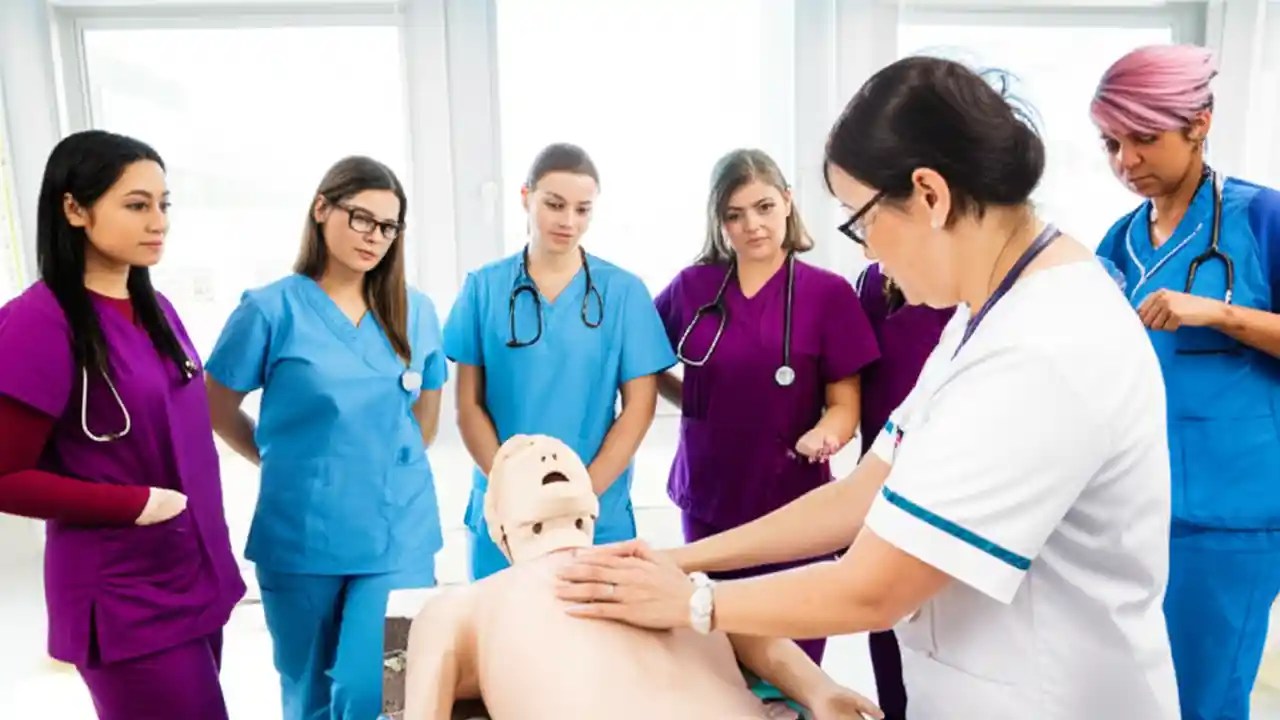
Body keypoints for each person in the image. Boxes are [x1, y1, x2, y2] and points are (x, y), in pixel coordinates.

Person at [553, 56, 1181, 720]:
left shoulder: (1047, 344)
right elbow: (866, 490)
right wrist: (680, 560)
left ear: (930, 196)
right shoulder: (983, 312)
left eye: (861, 218)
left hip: (1052, 700)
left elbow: (874, 587)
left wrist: (692, 602)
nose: (866, 251)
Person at [0, 129, 245, 719]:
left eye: (164, 204)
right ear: (74, 208)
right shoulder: (36, 325)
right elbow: (4, 477)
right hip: (123, 599)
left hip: (193, 577)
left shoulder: (158, 310)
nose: (157, 220)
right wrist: (132, 504)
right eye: (137, 205)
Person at [204, 156, 448, 720]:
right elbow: (215, 407)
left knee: (376, 691)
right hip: (302, 534)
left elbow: (426, 422)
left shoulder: (417, 311)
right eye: (362, 218)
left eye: (388, 226)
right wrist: (283, 460)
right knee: (308, 697)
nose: (375, 237)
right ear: (322, 209)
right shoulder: (270, 310)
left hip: (398, 535)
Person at [401, 434, 882, 720]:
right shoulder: (464, 607)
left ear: (592, 505)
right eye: (522, 459)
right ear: (497, 525)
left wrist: (820, 689)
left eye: (560, 454)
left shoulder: (665, 578)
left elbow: (754, 635)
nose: (547, 456)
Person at [1092, 44, 1280, 720]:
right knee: (1140, 699)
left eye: (1145, 138)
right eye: (1112, 142)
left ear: (1199, 124)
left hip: (1231, 515)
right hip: (1135, 511)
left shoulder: (1264, 219)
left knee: (1204, 700)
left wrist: (1220, 313)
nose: (1126, 161)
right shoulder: (1118, 241)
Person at [653, 148, 879, 667]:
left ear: (788, 204)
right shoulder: (693, 288)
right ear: (720, 222)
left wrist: (827, 433)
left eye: (763, 207)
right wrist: (690, 397)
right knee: (717, 654)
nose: (752, 225)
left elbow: (844, 403)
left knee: (795, 660)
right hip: (710, 500)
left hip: (795, 503)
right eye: (734, 215)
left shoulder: (829, 294)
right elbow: (639, 366)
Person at [442, 142, 676, 581]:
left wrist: (577, 496)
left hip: (595, 515)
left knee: (596, 645)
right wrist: (513, 492)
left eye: (583, 209)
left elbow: (640, 408)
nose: (569, 221)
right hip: (504, 516)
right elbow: (468, 406)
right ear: (525, 197)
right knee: (504, 642)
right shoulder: (483, 288)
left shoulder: (623, 292)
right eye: (554, 204)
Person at [850, 263, 953, 720]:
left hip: (957, 496)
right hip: (887, 485)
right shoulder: (874, 285)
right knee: (892, 652)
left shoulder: (1008, 307)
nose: (868, 245)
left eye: (865, 216)